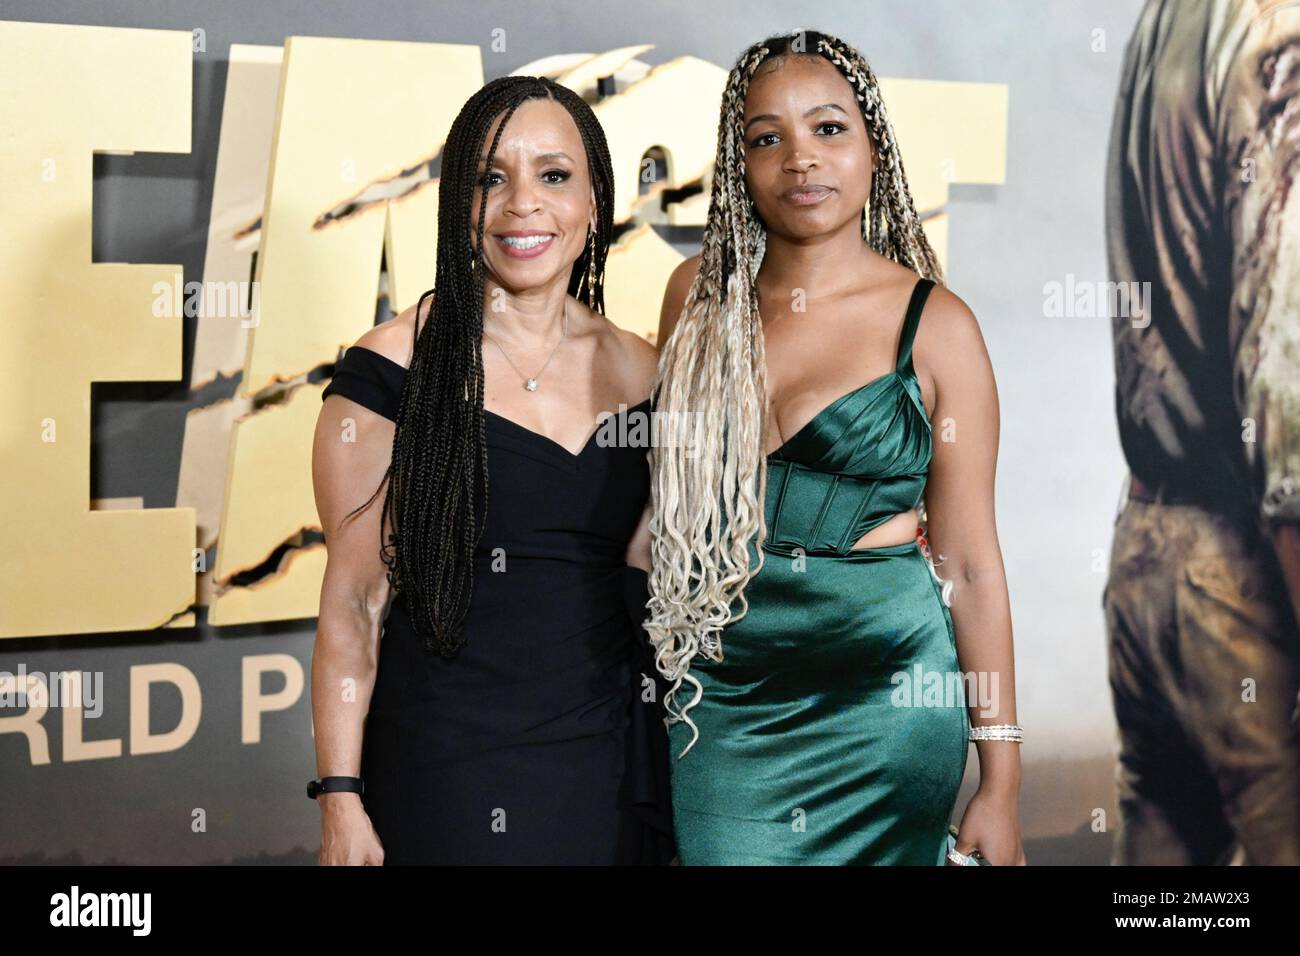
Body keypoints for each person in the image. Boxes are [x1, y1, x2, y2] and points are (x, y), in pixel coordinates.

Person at [644, 29, 1023, 865]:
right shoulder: (695, 301)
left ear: (873, 148)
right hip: (722, 684)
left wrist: (1002, 780)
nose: (799, 160)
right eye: (766, 137)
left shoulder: (938, 324)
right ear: (738, 165)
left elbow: (969, 567)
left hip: (884, 692)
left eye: (827, 129)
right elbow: (659, 512)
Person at [309, 75, 673, 865]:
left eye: (553, 175)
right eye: (489, 179)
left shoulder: (649, 372)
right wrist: (339, 798)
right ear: (456, 202)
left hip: (608, 766)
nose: (522, 206)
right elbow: (354, 603)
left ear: (594, 200)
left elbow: (660, 580)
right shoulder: (387, 373)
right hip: (445, 768)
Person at [1103, 0, 1300, 865]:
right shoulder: (1275, 28)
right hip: (1251, 572)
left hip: (1151, 543)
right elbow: (1286, 379)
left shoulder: (1170, 15)